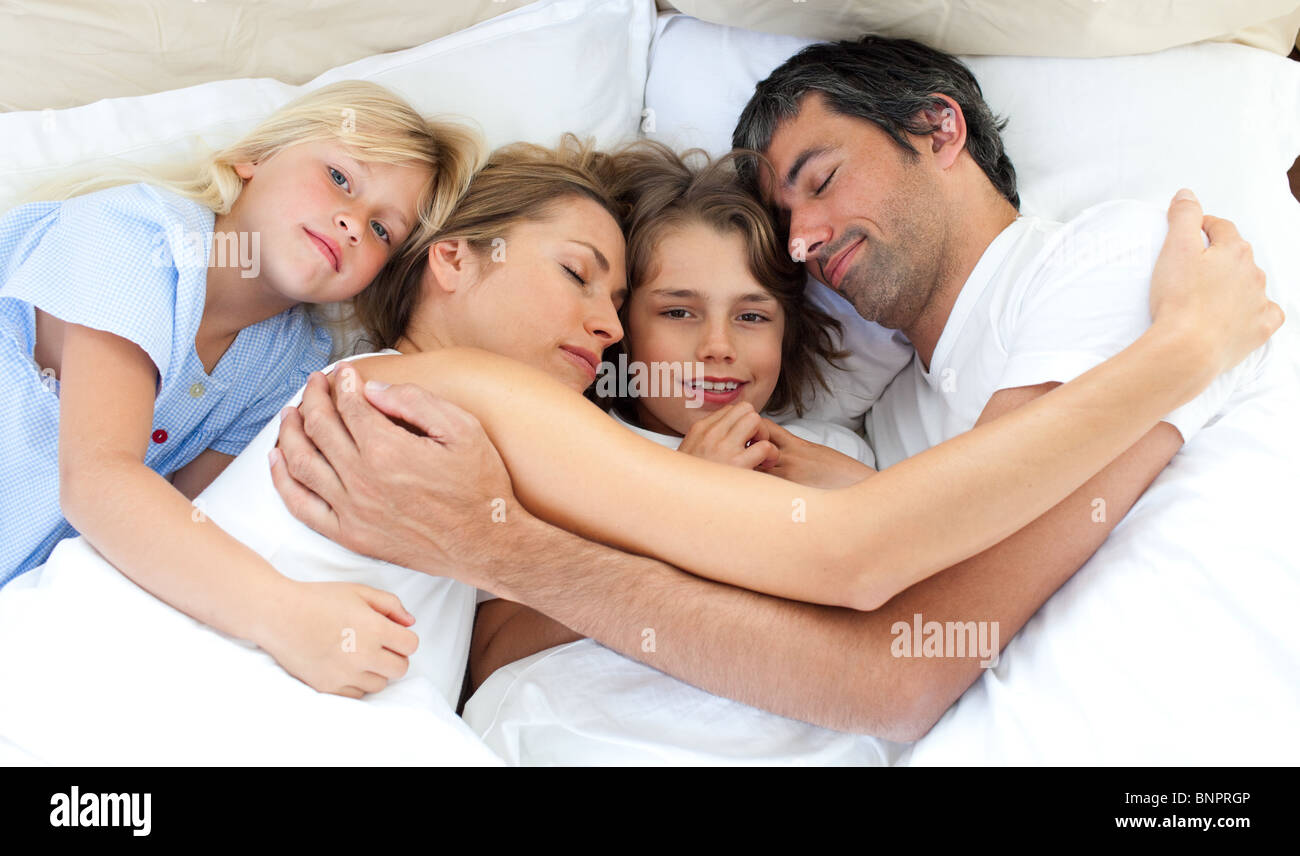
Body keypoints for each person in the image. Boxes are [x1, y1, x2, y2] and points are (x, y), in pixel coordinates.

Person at [269, 106, 1279, 743]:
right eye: (662, 310)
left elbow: (891, 579)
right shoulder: (534, 419)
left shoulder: (840, 450)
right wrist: (1178, 361)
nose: (713, 348)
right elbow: (487, 638)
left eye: (752, 313)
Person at [0, 80, 484, 696]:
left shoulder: (288, 361)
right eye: (340, 178)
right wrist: (285, 614)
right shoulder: (135, 237)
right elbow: (98, 481)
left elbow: (195, 524)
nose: (351, 222)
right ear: (252, 158)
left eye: (383, 230)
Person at [597, 139, 876, 481]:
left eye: (751, 317)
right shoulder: (579, 450)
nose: (719, 347)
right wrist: (692, 484)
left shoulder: (836, 456)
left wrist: (866, 494)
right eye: (678, 312)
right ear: (620, 321)